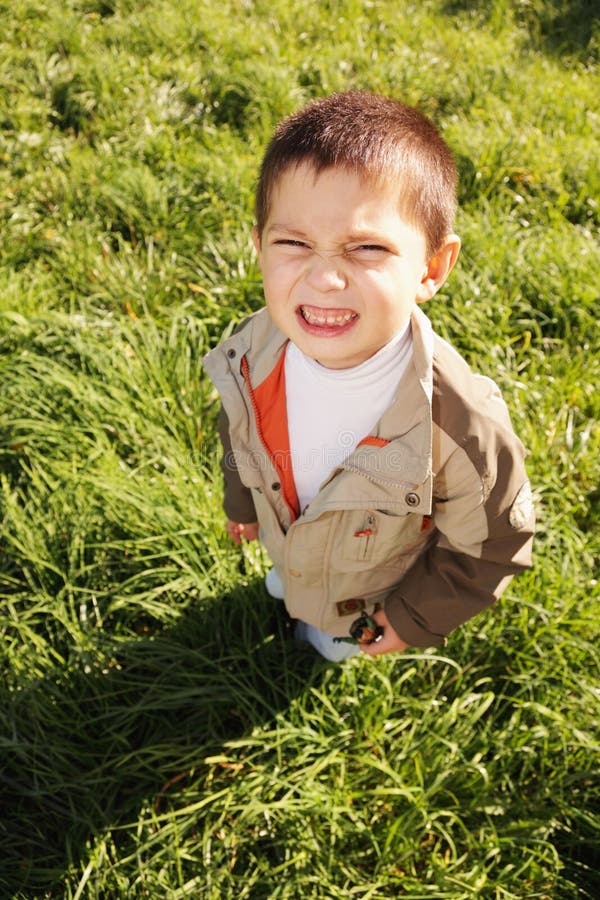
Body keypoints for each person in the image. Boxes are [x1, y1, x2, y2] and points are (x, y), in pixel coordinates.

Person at [203, 91, 535, 662]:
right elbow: (239, 436)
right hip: (288, 542)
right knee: (285, 586)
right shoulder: (254, 352)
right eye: (293, 243)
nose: (325, 278)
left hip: (364, 593)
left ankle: (323, 637)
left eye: (366, 248)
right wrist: (242, 505)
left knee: (329, 645)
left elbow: (493, 541)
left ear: (430, 267)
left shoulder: (461, 426)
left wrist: (410, 617)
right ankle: (290, 588)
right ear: (258, 247)